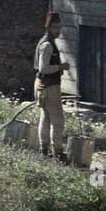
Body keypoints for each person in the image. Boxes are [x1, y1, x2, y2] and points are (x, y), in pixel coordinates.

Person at [33, 12, 68, 159]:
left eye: (59, 27)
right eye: (54, 27)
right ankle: (58, 152)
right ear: (48, 28)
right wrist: (61, 67)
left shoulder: (47, 42)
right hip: (49, 87)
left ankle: (44, 150)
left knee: (45, 118)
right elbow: (43, 68)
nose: (57, 30)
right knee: (58, 120)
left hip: (43, 86)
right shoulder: (47, 45)